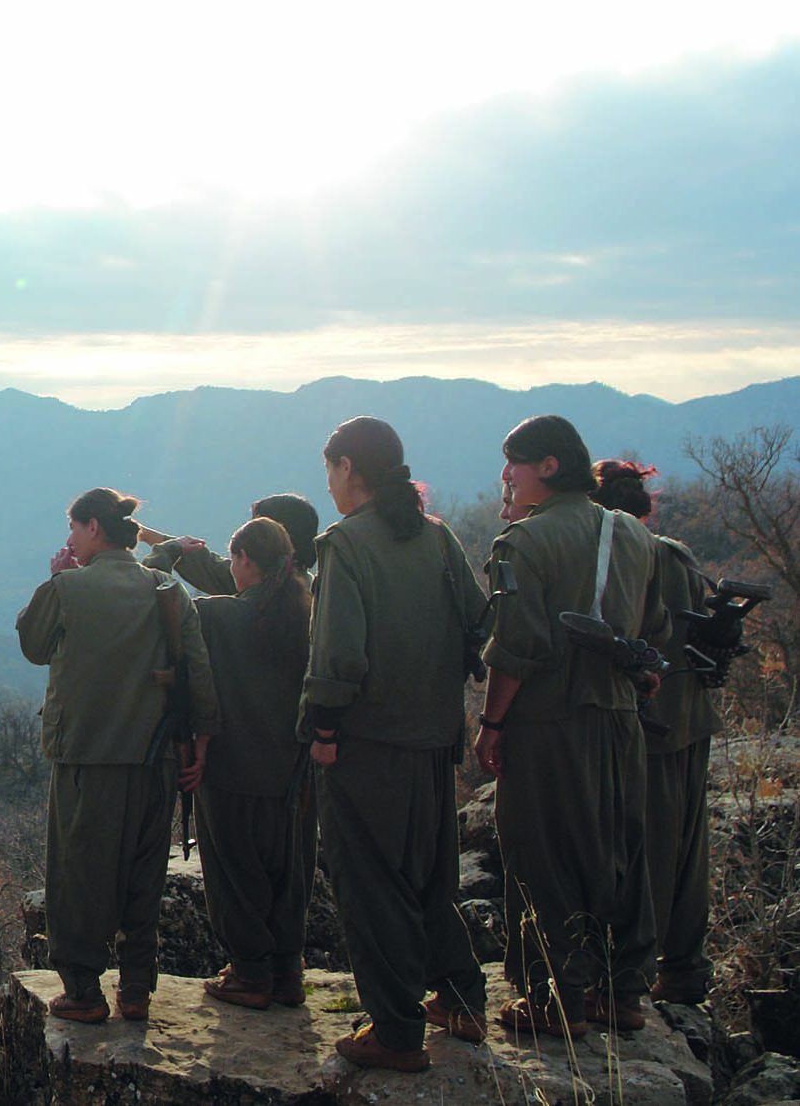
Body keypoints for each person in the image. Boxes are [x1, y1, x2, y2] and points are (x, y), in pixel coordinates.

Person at [301, 417, 489, 1073]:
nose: (328, 482)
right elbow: (478, 622)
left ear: (348, 467)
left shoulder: (343, 545)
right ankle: (462, 1000)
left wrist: (323, 730)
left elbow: (337, 655)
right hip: (435, 740)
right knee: (431, 877)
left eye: (330, 469)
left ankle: (396, 1029)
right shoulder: (436, 539)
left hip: (367, 743)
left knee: (371, 885)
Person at [475, 417, 670, 1038]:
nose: (507, 475)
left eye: (516, 463)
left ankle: (553, 998)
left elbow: (518, 648)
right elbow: (655, 627)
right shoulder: (632, 536)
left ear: (549, 466)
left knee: (542, 852)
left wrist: (491, 724)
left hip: (548, 723)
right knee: (620, 848)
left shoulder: (523, 543)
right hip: (619, 721)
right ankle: (622, 993)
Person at [17, 487, 222, 1023]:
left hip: (86, 758)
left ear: (93, 529)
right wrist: (199, 744)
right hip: (156, 759)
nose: (69, 538)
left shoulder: (70, 588)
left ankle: (83, 991)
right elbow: (198, 672)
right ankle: (135, 989)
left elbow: (33, 645)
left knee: (79, 875)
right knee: (144, 873)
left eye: (73, 527)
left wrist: (55, 578)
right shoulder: (164, 588)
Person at [591, 459, 720, 1005]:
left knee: (650, 855)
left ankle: (632, 980)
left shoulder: (628, 556)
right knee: (690, 851)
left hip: (652, 724)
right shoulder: (678, 554)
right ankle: (685, 971)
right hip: (691, 718)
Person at [191, 516, 311, 1011]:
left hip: (232, 765)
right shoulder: (305, 613)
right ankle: (287, 973)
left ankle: (249, 973)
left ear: (243, 561)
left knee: (235, 870)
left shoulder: (216, 616)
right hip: (293, 770)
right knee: (288, 870)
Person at [138, 492, 320, 595]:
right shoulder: (314, 591)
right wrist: (145, 534)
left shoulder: (228, 608)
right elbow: (209, 565)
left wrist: (156, 543)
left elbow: (210, 569)